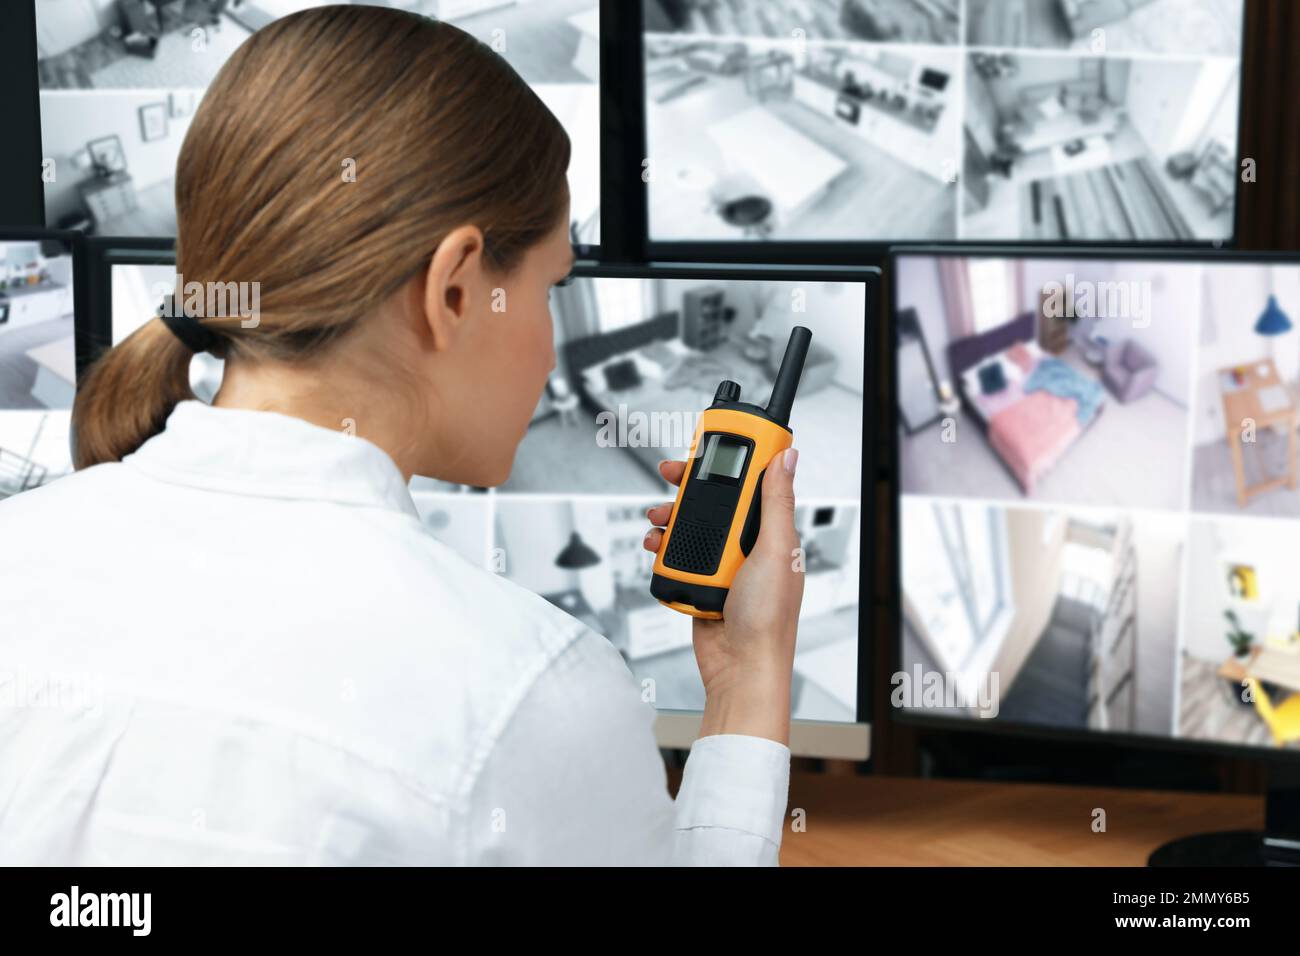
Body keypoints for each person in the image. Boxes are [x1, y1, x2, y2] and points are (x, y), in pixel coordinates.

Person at [0, 5, 805, 866]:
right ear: (456, 289)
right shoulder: (529, 692)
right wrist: (750, 679)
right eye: (549, 288)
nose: (547, 341)